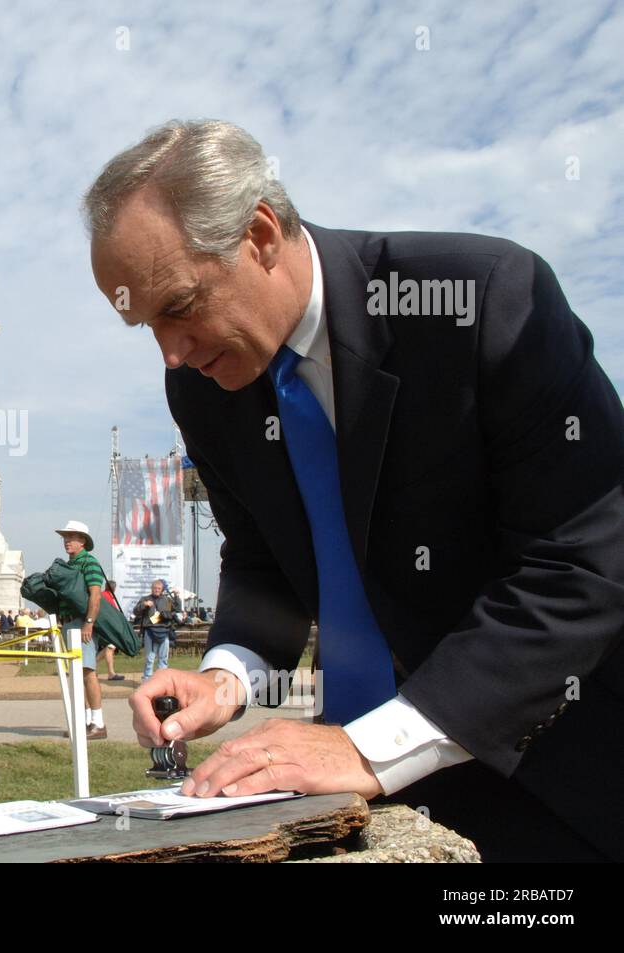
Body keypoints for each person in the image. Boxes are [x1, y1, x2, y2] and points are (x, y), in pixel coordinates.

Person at [86, 119, 624, 861]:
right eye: (144, 324)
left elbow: (586, 563)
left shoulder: (480, 300)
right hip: (351, 797)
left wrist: (373, 745)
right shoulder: (204, 386)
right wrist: (227, 677)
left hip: (560, 780)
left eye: (178, 305)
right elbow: (262, 556)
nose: (170, 353)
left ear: (262, 234)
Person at [54, 521, 109, 740]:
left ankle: (98, 722)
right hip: (69, 623)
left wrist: (89, 622)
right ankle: (86, 721)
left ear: (82, 541)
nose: (67, 541)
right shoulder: (70, 564)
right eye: (65, 537)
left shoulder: (90, 562)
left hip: (81, 623)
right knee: (77, 674)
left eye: (72, 537)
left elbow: (95, 595)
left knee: (87, 671)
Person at [133, 579, 176, 682]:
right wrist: (144, 605)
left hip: (164, 631)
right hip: (149, 631)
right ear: (151, 589)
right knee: (150, 658)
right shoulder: (145, 598)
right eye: (155, 588)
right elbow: (135, 611)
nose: (157, 590)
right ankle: (147, 680)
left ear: (162, 589)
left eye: (159, 588)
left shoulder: (167, 600)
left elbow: (175, 612)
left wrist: (167, 614)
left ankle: (163, 681)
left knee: (163, 658)